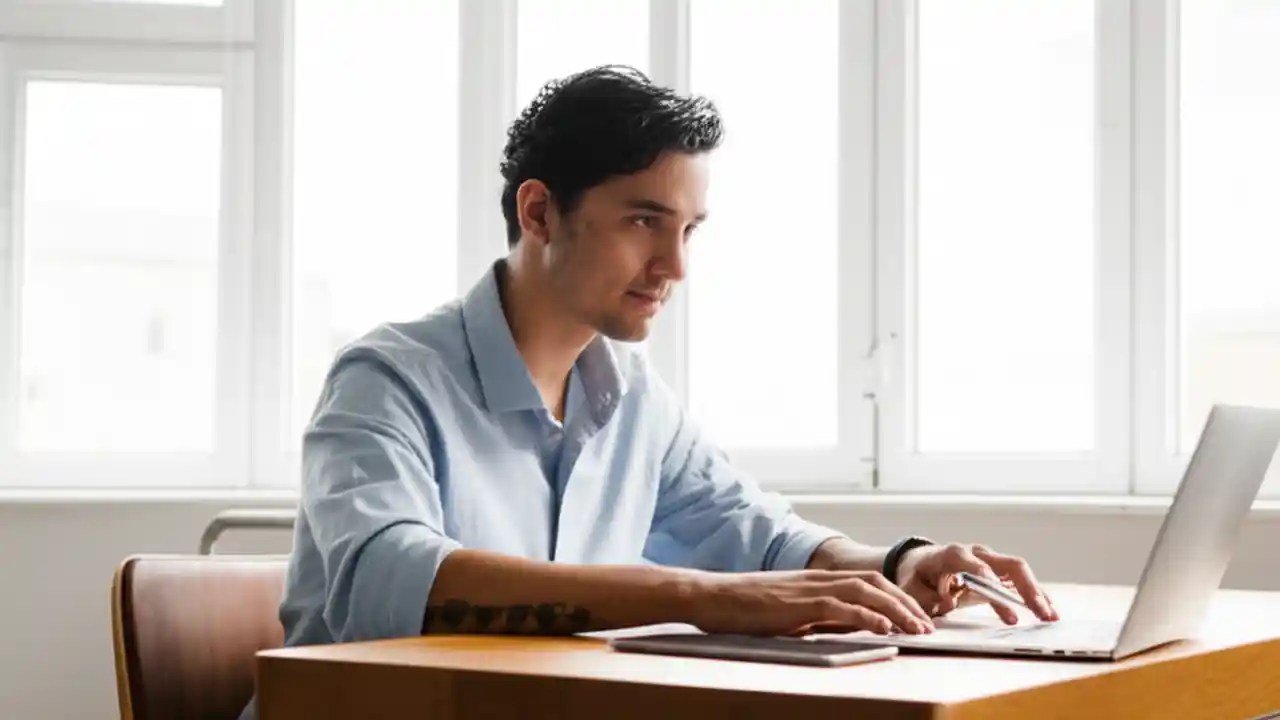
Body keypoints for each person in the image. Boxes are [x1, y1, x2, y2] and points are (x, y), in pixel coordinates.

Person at [243, 62, 1058, 720]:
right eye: (643, 221)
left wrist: (893, 562)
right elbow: (393, 578)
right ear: (539, 211)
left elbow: (750, 530)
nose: (676, 266)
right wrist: (704, 597)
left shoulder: (633, 396)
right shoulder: (385, 380)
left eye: (689, 230)